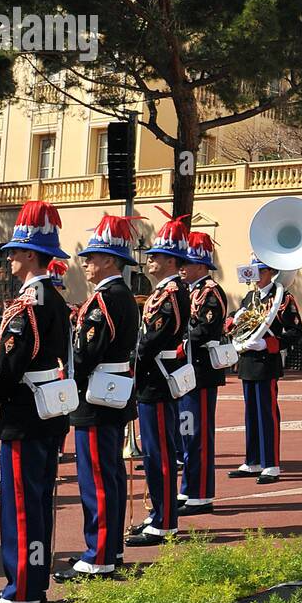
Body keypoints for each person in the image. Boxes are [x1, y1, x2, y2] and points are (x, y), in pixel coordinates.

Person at [0, 201, 72, 603]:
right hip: (47, 411)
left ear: (30, 256)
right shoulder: (55, 299)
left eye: (15, 251)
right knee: (39, 501)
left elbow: (9, 369)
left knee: (22, 505)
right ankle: (33, 581)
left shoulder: (27, 305)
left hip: (25, 414)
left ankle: (21, 592)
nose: (8, 257)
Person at [54, 214, 141, 584]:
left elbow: (86, 353)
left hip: (97, 396)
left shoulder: (105, 299)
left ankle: (99, 556)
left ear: (109, 261)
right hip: (113, 391)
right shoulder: (119, 296)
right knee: (110, 474)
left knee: (97, 479)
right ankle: (111, 548)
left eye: (91, 257)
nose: (85, 263)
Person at [125, 211, 191, 548]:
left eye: (155, 256)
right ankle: (159, 513)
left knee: (161, 452)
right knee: (153, 452)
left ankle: (165, 522)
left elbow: (153, 339)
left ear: (169, 261)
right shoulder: (163, 291)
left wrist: (130, 359)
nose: (149, 260)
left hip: (158, 379)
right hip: (152, 379)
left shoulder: (170, 294)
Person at [227, 254, 302, 485]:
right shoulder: (250, 297)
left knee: (267, 415)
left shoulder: (283, 299)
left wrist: (268, 344)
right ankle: (253, 461)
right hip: (248, 361)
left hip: (266, 362)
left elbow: (296, 332)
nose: (254, 275)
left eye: (259, 271)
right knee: (251, 414)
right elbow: (235, 322)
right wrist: (232, 320)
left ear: (269, 271)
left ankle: (271, 464)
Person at [176, 231, 227, 517]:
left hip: (201, 372)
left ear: (201, 265)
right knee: (187, 433)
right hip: (186, 372)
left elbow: (203, 330)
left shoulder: (210, 292)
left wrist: (175, 341)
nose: (182, 266)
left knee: (199, 435)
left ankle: (201, 493)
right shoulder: (188, 291)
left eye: (188, 262)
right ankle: (188, 488)